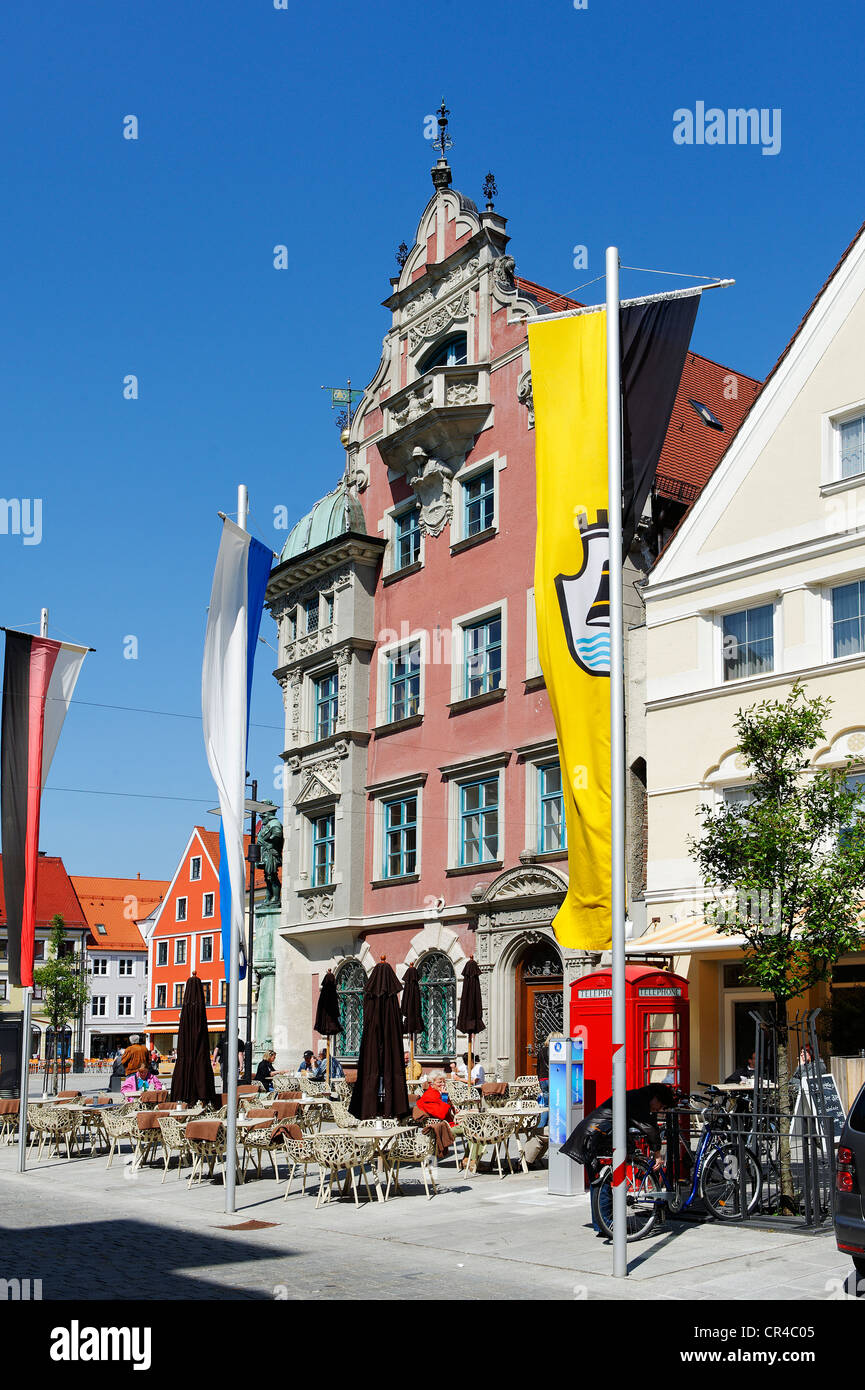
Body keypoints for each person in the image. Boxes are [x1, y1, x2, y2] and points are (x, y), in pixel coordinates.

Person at [563, 1083, 676, 1233]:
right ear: (656, 1097)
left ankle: (603, 1225)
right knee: (602, 1184)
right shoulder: (639, 1100)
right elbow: (649, 1128)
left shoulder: (637, 1097)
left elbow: (644, 1123)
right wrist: (657, 1154)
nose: (659, 1109)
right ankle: (608, 1224)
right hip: (595, 1138)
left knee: (598, 1183)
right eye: (660, 1105)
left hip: (593, 1135)